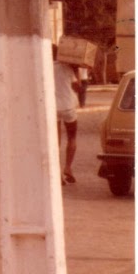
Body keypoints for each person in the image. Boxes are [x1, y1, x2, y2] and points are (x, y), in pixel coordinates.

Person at [52, 44, 82, 185]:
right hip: (69, 107)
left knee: (55, 142)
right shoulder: (67, 68)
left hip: (53, 108)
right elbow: (77, 87)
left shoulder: (45, 69)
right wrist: (77, 73)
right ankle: (68, 167)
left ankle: (56, 173)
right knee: (72, 138)